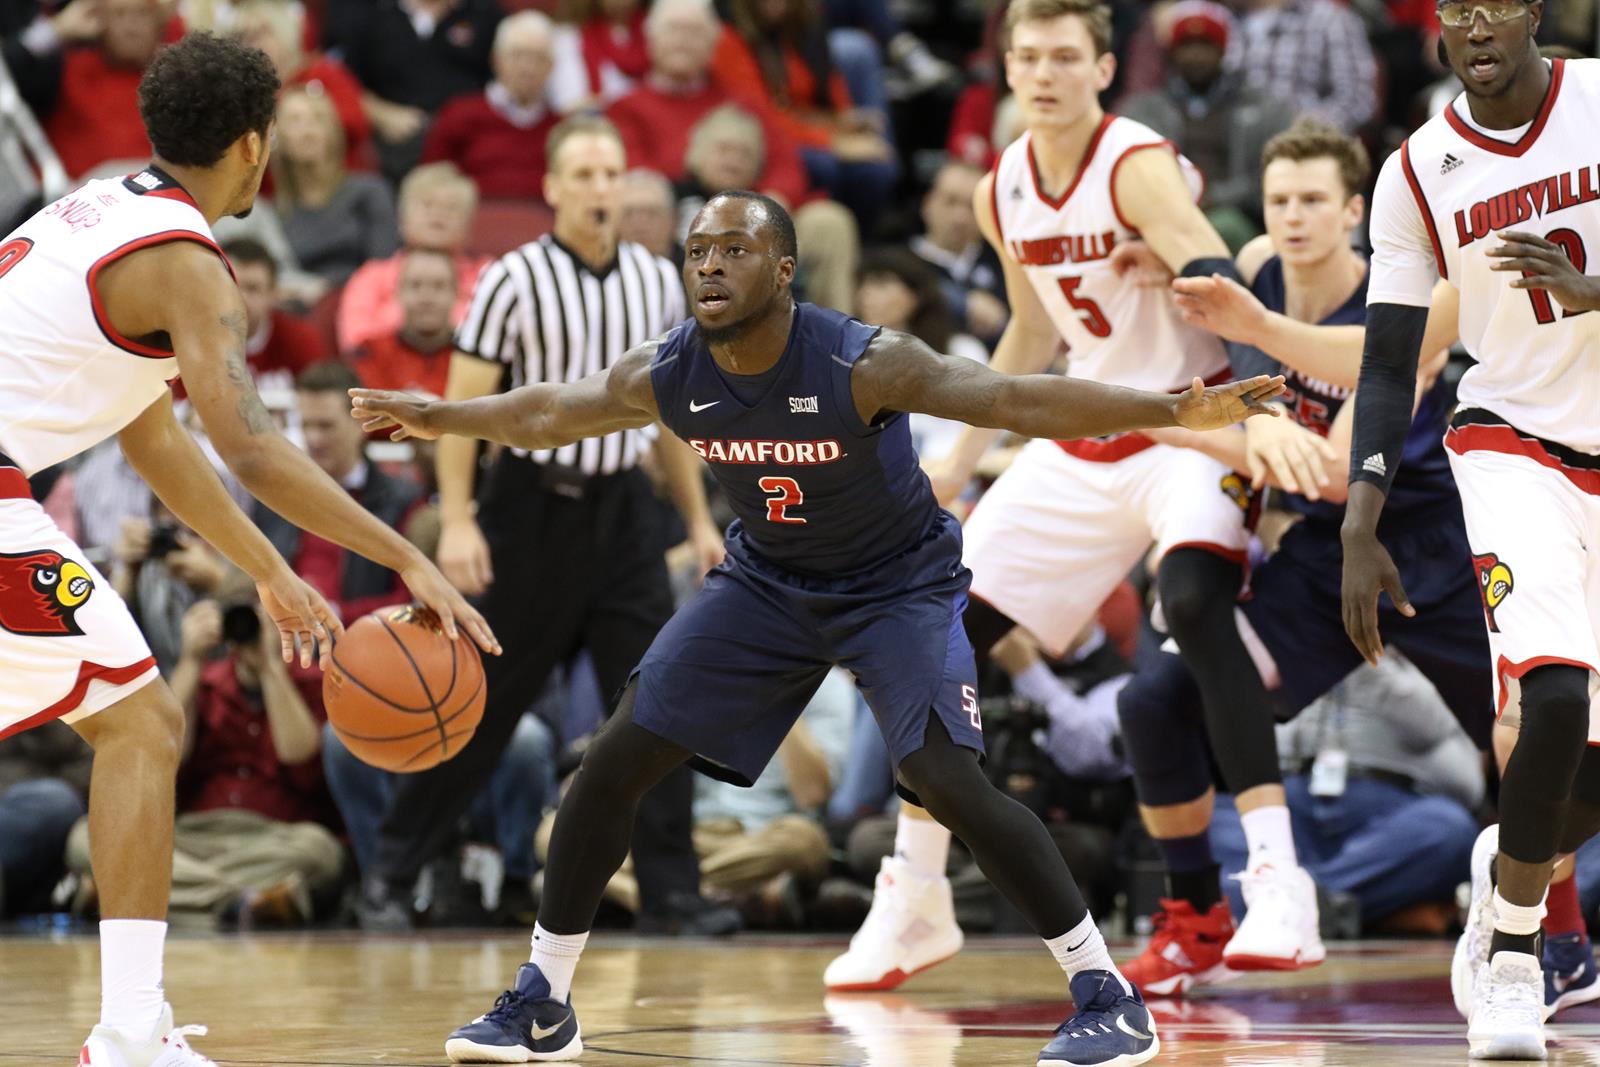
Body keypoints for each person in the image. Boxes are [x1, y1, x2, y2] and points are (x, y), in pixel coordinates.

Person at [352, 189, 1286, 1066]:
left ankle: (1105, 993)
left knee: (944, 778)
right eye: (697, 251)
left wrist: (1169, 409)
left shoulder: (863, 360)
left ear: (785, 269)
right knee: (611, 759)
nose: (709, 266)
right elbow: (553, 410)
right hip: (767, 583)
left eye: (734, 250)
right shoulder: (671, 368)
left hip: (897, 585)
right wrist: (443, 416)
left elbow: (1011, 398)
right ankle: (543, 1001)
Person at [0, 32, 492, 1065]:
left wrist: (265, 569)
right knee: (140, 721)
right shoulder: (188, 263)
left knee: (131, 718)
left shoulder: (101, 206)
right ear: (255, 146)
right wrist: (406, 558)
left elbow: (149, 431)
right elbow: (254, 448)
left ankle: (134, 1027)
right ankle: (131, 1031)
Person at [827, 0, 1314, 995]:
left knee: (1191, 602)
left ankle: (1277, 879)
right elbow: (1029, 333)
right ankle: (915, 891)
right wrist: (958, 458)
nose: (1044, 74)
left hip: (1188, 423)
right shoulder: (1002, 186)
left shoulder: (1131, 161)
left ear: (1101, 68)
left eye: (1064, 57)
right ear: (1006, 69)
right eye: (1028, 57)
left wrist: (1262, 407)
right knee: (936, 634)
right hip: (1083, 428)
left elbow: (1216, 269)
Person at [1105, 117, 1491, 994]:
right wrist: (1151, 270)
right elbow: (1198, 290)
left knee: (1542, 738)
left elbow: (1327, 470)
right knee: (1154, 702)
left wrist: (1174, 421)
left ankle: (1552, 926)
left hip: (1436, 548)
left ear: (1354, 212)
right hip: (1327, 562)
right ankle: (1196, 921)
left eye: (1314, 200)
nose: (1293, 217)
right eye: (1280, 200)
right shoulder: (1255, 268)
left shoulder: (1407, 297)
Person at [353, 115, 738, 938]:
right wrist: (460, 518)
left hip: (625, 515)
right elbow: (461, 407)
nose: (602, 189)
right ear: (553, 188)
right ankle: (391, 870)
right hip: (528, 510)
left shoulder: (656, 280)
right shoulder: (513, 279)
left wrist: (697, 518)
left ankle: (673, 891)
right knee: (480, 703)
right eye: (585, 175)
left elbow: (668, 417)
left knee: (659, 701)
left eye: (612, 173)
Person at [1340, 6, 1600, 1054]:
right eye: (1455, 7)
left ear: (1534, 10)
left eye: (1495, 2)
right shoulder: (1414, 171)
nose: (1476, 23)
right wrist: (1360, 514)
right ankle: (1515, 961)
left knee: (1580, 756)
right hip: (1512, 444)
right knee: (1554, 697)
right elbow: (1387, 360)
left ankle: (1509, 864)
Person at [421, 12, 561, 202]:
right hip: (473, 217)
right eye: (518, 55)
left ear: (551, 67)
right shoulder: (459, 114)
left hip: (542, 218)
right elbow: (430, 183)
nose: (527, 67)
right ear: (496, 60)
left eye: (538, 58)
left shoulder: (561, 129)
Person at [272, 85, 398, 288]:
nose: (308, 132)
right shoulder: (274, 210)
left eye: (317, 120)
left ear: (333, 131)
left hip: (361, 299)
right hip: (298, 303)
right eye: (295, 121)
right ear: (277, 135)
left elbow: (383, 267)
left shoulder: (370, 192)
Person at [347, 249, 460, 399]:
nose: (426, 297)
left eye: (439, 286)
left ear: (457, 293)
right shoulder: (370, 353)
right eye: (415, 285)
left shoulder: (475, 357)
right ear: (397, 292)